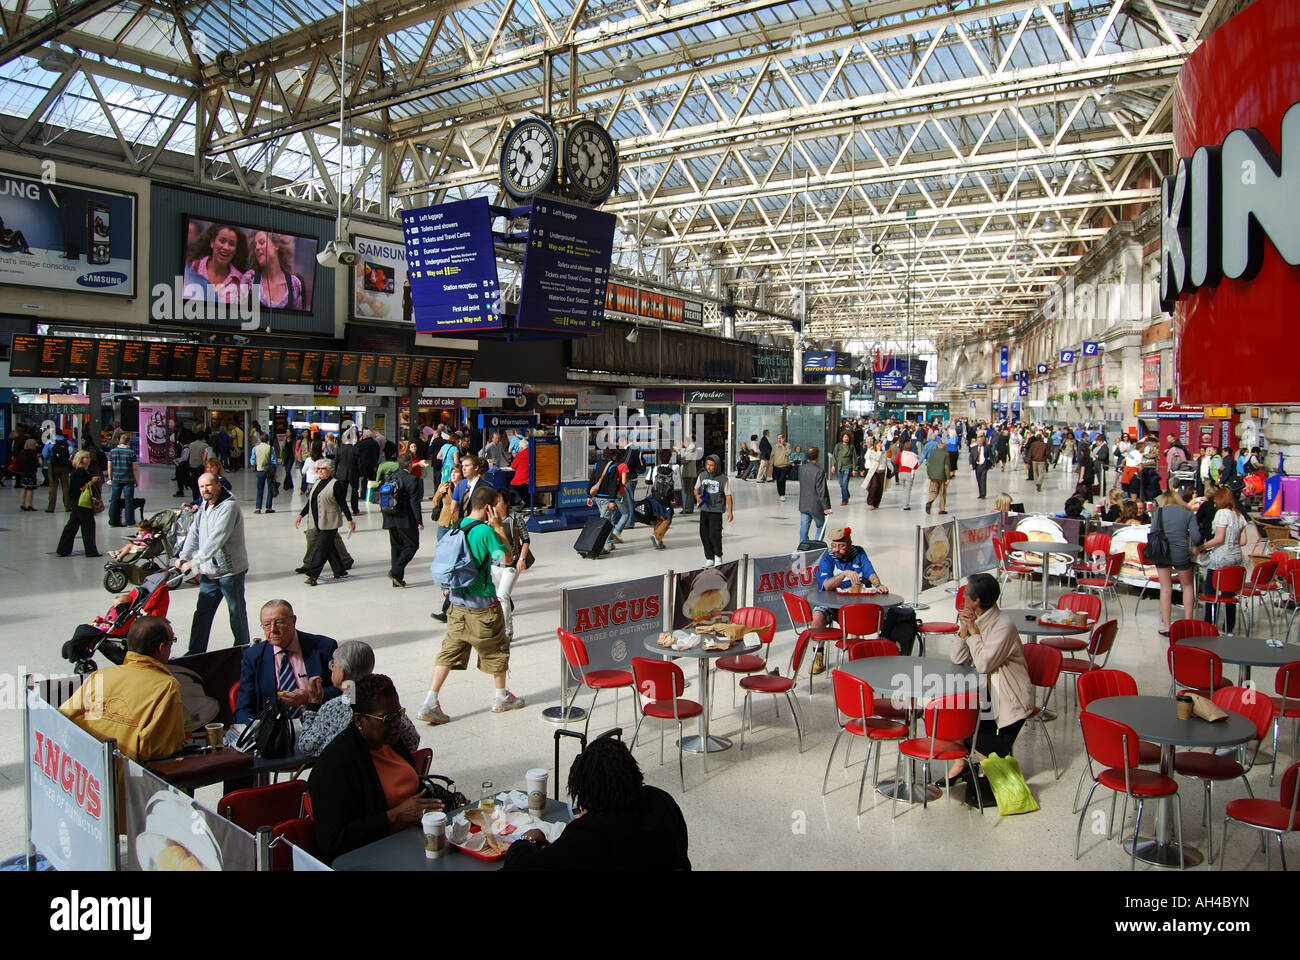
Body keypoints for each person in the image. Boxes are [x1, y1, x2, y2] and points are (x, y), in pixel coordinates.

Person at [502, 732, 690, 871]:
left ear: (586, 794)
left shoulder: (588, 835)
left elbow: (520, 867)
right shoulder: (661, 801)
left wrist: (527, 839)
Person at [309, 674, 443, 865]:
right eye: (387, 718)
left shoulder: (390, 741)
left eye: (399, 713)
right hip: (373, 858)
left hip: (415, 843)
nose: (397, 722)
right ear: (359, 720)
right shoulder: (334, 766)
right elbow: (332, 841)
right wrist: (393, 815)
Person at [419, 486, 524, 723]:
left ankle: (430, 701)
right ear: (488, 508)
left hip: (456, 605)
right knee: (498, 649)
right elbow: (505, 559)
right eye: (497, 505)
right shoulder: (485, 532)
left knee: (448, 651)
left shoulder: (458, 526)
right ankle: (501, 697)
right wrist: (498, 529)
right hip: (483, 606)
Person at [940, 573, 1035, 806]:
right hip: (985, 694)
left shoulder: (1004, 625)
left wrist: (973, 632)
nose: (962, 597)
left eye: (966, 594)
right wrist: (964, 629)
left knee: (983, 746)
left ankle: (989, 774)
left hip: (1010, 699)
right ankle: (962, 765)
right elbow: (957, 657)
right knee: (957, 716)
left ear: (977, 601)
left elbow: (983, 664)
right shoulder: (976, 619)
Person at [59, 615, 184, 764]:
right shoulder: (167, 686)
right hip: (128, 780)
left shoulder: (100, 676)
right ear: (161, 647)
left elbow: (63, 718)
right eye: (172, 641)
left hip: (89, 774)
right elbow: (154, 749)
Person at [299, 640, 421, 757]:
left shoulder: (334, 708)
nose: (332, 669)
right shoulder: (386, 703)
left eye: (333, 665)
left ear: (342, 674)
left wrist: (313, 705)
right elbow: (413, 742)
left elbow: (306, 746)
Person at [232, 599, 339, 730]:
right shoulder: (253, 656)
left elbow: (346, 692)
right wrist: (259, 730)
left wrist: (309, 697)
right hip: (273, 735)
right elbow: (242, 710)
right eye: (267, 625)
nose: (273, 630)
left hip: (320, 728)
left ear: (293, 621)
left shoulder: (324, 647)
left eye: (279, 623)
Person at [177, 472, 250, 655]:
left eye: (208, 485)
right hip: (210, 573)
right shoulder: (204, 505)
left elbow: (217, 538)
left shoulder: (229, 507)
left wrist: (194, 562)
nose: (204, 490)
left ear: (218, 485)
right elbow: (195, 532)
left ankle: (242, 651)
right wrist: (184, 556)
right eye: (201, 487)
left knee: (236, 614)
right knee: (202, 613)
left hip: (229, 572)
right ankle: (195, 652)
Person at [809, 526, 888, 675]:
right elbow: (826, 585)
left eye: (841, 546)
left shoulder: (858, 553)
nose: (836, 549)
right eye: (834, 545)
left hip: (855, 605)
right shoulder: (828, 559)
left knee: (885, 613)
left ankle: (873, 653)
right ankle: (818, 655)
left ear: (849, 544)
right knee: (817, 616)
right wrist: (843, 574)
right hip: (832, 605)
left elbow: (870, 571)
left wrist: (878, 585)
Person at [1149, 488, 1202, 635]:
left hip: (1162, 552)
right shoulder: (1188, 513)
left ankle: (1167, 626)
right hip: (1181, 552)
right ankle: (1188, 623)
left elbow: (1153, 532)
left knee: (1165, 588)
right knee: (1187, 586)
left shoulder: (1158, 513)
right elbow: (1197, 537)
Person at [296, 460, 355, 586]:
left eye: (322, 469)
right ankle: (340, 570)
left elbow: (342, 504)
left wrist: (350, 520)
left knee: (321, 548)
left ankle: (313, 575)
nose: (319, 471)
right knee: (329, 547)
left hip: (330, 522)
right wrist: (301, 515)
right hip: (317, 521)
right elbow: (310, 502)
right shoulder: (317, 482)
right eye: (318, 469)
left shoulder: (335, 484)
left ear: (329, 470)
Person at [1198, 486, 1248, 633]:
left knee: (1210, 592)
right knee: (1229, 595)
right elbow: (1243, 541)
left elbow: (1219, 539)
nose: (1214, 504)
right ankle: (1229, 627)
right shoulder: (1239, 516)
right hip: (1236, 558)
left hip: (1220, 559)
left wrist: (1201, 547)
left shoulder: (1222, 514)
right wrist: (1231, 542)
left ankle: (1210, 624)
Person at [380, 453, 423, 588]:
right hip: (405, 519)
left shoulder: (391, 476)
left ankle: (397, 580)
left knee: (396, 547)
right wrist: (419, 521)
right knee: (412, 545)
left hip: (389, 516)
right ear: (409, 464)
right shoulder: (412, 479)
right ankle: (395, 572)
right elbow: (414, 502)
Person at [242, 231, 305, 309]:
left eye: (261, 243)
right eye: (255, 245)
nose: (257, 248)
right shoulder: (249, 279)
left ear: (276, 245)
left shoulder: (294, 284)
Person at [184, 222, 246, 303]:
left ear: (236, 250)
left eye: (231, 244)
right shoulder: (193, 266)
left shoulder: (240, 280)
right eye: (222, 241)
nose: (226, 247)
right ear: (212, 243)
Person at [57, 451, 102, 557]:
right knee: (88, 526)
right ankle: (91, 551)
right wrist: (92, 481)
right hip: (82, 502)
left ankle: (63, 549)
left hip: (76, 502)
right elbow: (82, 487)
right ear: (81, 459)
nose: (89, 459)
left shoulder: (77, 471)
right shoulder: (81, 472)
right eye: (86, 457)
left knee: (72, 525)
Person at [694, 454, 733, 568]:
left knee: (714, 534)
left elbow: (728, 496)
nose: (709, 467)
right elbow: (696, 489)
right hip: (704, 509)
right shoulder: (702, 475)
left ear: (717, 466)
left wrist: (730, 511)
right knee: (704, 533)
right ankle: (709, 557)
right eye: (707, 464)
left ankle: (718, 556)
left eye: (711, 465)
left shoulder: (723, 479)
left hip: (716, 510)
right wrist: (697, 496)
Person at [585, 446, 625, 555]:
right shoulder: (612, 467)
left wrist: (589, 495)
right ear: (614, 455)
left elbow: (592, 480)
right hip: (607, 499)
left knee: (609, 520)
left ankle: (609, 542)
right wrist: (612, 500)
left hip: (597, 497)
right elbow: (613, 485)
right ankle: (603, 545)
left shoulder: (597, 464)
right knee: (605, 522)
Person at [645, 448, 680, 550]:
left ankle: (659, 542)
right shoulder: (673, 468)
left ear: (660, 458)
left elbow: (647, 481)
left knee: (659, 519)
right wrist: (678, 453)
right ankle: (656, 536)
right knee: (668, 518)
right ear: (669, 458)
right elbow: (679, 462)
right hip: (666, 499)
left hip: (655, 497)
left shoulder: (654, 468)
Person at [797, 446, 832, 544]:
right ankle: (817, 546)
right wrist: (826, 507)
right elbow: (821, 490)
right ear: (817, 457)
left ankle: (802, 546)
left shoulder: (801, 469)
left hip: (804, 503)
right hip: (816, 505)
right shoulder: (819, 471)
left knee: (803, 528)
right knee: (821, 526)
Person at [249, 431, 278, 514]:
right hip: (269, 470)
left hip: (260, 470)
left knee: (260, 489)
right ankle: (269, 507)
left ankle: (258, 507)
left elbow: (252, 462)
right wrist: (275, 472)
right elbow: (273, 460)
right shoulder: (270, 448)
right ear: (267, 440)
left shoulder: (255, 448)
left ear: (260, 440)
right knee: (270, 488)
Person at [45, 434, 72, 513]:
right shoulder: (67, 442)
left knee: (53, 486)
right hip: (65, 466)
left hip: (52, 466)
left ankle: (51, 507)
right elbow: (71, 452)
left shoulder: (50, 442)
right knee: (65, 485)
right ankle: (68, 506)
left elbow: (44, 454)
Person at [924, 437, 950, 515]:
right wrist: (948, 477)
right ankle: (942, 509)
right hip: (942, 476)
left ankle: (930, 501)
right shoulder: (946, 453)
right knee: (942, 492)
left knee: (933, 491)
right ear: (944, 445)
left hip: (933, 475)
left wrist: (928, 474)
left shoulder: (933, 452)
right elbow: (946, 466)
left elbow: (929, 464)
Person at [830, 431, 856, 506]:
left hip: (848, 466)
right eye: (845, 437)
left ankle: (844, 500)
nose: (846, 438)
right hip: (839, 466)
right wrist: (833, 465)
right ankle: (847, 495)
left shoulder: (851, 447)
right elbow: (834, 456)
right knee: (841, 484)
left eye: (847, 437)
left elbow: (854, 458)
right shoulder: (838, 446)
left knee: (845, 484)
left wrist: (854, 469)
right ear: (842, 438)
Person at [895, 440, 920, 511]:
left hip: (901, 474)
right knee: (907, 490)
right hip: (909, 474)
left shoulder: (901, 454)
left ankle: (904, 502)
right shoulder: (913, 455)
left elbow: (896, 462)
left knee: (905, 489)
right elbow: (916, 466)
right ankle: (905, 505)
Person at [678, 436, 700, 514]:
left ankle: (689, 508)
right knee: (687, 490)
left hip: (689, 473)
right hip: (687, 472)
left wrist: (679, 454)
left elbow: (686, 459)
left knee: (689, 491)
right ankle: (687, 507)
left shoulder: (691, 448)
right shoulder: (690, 448)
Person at [863, 439, 886, 509]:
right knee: (874, 486)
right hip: (874, 471)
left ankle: (876, 503)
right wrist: (879, 451)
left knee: (880, 488)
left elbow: (885, 461)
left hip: (882, 471)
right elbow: (876, 459)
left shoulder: (883, 452)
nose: (880, 445)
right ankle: (870, 502)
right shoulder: (872, 452)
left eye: (881, 444)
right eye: (879, 444)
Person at [509, 438, 532, 508]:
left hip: (521, 480)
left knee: (510, 486)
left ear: (521, 448)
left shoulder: (519, 455)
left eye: (519, 447)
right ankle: (526, 501)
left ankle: (520, 500)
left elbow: (513, 466)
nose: (518, 448)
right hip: (529, 479)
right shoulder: (531, 454)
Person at [17, 437, 39, 511]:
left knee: (24, 488)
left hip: (23, 472)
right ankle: (30, 504)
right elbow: (36, 464)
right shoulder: (33, 454)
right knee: (30, 489)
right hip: (31, 472)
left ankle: (22, 504)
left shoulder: (22, 452)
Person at [968, 432, 991, 500]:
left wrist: (991, 464)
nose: (979, 442)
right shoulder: (974, 448)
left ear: (983, 441)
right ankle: (980, 493)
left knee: (983, 479)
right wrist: (971, 464)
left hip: (984, 465)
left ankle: (983, 494)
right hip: (977, 465)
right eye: (978, 441)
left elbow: (991, 456)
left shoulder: (987, 447)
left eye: (981, 441)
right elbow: (971, 456)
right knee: (978, 480)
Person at [770, 432, 791, 502]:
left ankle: (782, 495)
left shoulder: (787, 445)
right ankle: (780, 494)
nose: (779, 439)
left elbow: (787, 453)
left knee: (782, 480)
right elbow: (772, 456)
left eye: (780, 438)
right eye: (778, 438)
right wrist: (771, 466)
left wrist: (783, 446)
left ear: (783, 438)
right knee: (778, 481)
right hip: (776, 466)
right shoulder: (775, 446)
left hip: (784, 466)